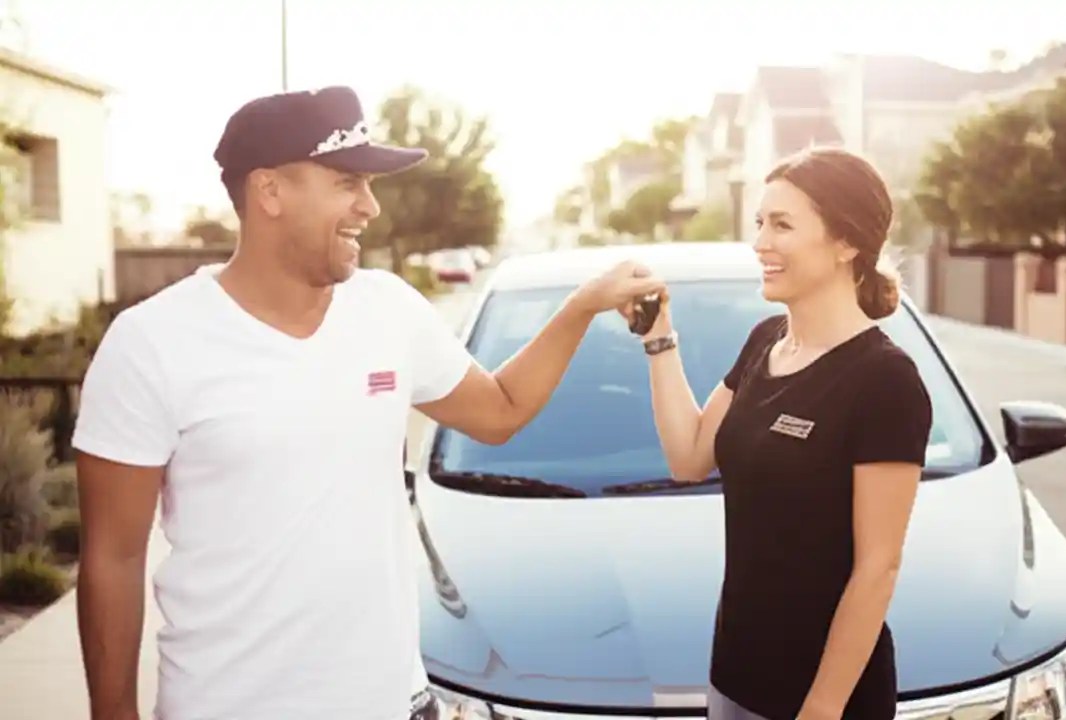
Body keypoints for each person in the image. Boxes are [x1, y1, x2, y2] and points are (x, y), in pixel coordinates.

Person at [72, 85, 664, 720]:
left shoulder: (389, 310)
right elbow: (113, 556)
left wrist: (580, 307)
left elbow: (500, 410)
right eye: (347, 183)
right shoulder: (151, 344)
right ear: (269, 191)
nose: (370, 206)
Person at [632, 147, 932, 720]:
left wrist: (821, 708)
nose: (760, 243)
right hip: (733, 678)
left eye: (783, 224)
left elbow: (878, 567)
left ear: (846, 244)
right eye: (760, 223)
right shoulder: (764, 341)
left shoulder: (884, 380)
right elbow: (689, 457)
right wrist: (659, 338)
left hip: (821, 700)